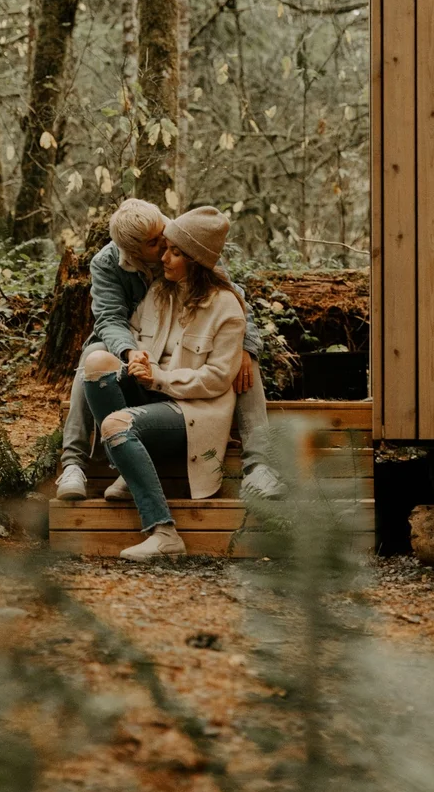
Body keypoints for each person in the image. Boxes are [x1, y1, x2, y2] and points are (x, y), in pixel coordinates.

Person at [54, 198, 285, 502]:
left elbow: (231, 294)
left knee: (244, 364)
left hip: (188, 351)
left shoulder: (185, 236)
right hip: (137, 344)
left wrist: (247, 346)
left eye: (164, 231)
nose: (165, 244)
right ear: (135, 253)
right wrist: (129, 352)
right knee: (92, 356)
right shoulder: (107, 263)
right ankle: (74, 463)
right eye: (155, 243)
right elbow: (110, 319)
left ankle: (260, 466)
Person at [80, 205, 248, 559]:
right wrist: (139, 358)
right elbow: (133, 330)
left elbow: (217, 380)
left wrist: (159, 377)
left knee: (116, 424)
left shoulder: (227, 308)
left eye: (174, 252)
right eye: (163, 248)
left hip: (193, 411)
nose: (163, 258)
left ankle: (164, 532)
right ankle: (129, 470)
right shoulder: (159, 292)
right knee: (95, 364)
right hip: (154, 396)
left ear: (196, 260)